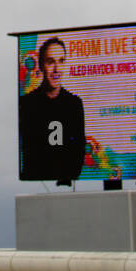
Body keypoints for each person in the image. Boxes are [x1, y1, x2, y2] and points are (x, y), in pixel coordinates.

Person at [19, 36, 86, 182]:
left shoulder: (74, 104)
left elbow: (79, 148)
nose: (56, 69)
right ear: (42, 65)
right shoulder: (27, 104)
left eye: (61, 61)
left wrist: (69, 175)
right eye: (50, 62)